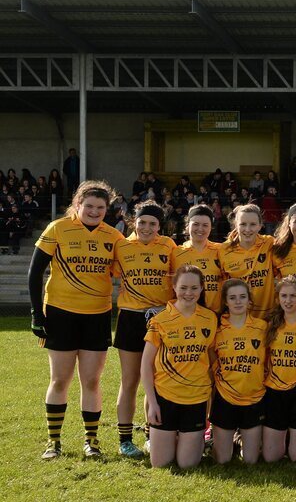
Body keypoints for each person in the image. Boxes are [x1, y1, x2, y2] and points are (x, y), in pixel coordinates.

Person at [30, 180, 124, 460]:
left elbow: (125, 271)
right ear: (77, 205)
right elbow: (35, 273)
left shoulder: (114, 237)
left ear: (107, 209)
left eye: (101, 207)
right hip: (60, 313)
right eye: (89, 206)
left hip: (97, 315)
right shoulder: (58, 228)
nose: (95, 211)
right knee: (60, 380)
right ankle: (53, 442)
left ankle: (91, 441)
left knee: (92, 381)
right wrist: (37, 313)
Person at [111, 201, 175, 458]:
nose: (147, 228)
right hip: (130, 318)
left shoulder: (168, 246)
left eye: (153, 223)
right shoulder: (122, 245)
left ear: (160, 226)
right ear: (133, 221)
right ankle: (125, 439)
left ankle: (151, 434)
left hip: (159, 318)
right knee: (130, 381)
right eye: (142, 222)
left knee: (156, 380)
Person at [140, 264, 218, 469]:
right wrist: (153, 403)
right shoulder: (161, 320)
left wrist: (212, 404)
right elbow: (146, 365)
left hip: (197, 398)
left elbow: (212, 363)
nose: (188, 293)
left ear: (202, 289)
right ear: (174, 287)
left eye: (194, 288)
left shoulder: (210, 319)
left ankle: (195, 439)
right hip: (166, 397)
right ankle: (162, 440)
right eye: (183, 287)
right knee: (160, 463)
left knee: (187, 464)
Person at [211, 279, 267, 464]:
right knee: (222, 460)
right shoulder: (217, 328)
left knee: (251, 460)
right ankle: (224, 439)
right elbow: (211, 362)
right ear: (225, 301)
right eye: (232, 298)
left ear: (249, 300)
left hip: (254, 397)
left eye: (242, 297)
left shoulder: (262, 327)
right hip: (225, 397)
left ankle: (239, 438)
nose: (238, 302)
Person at [263, 275, 296, 463]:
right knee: (271, 458)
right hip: (275, 391)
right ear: (277, 298)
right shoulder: (270, 324)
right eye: (284, 296)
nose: (288, 300)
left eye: (293, 296)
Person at [218, 204, 275, 319]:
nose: (248, 229)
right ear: (235, 225)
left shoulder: (269, 243)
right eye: (243, 224)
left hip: (267, 318)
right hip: (238, 319)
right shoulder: (223, 250)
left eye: (253, 224)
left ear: (260, 225)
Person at [171, 205, 223, 313]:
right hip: (186, 315)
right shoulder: (176, 253)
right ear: (187, 226)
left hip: (216, 315)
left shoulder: (221, 250)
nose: (200, 229)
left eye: (205, 225)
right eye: (195, 224)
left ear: (211, 227)